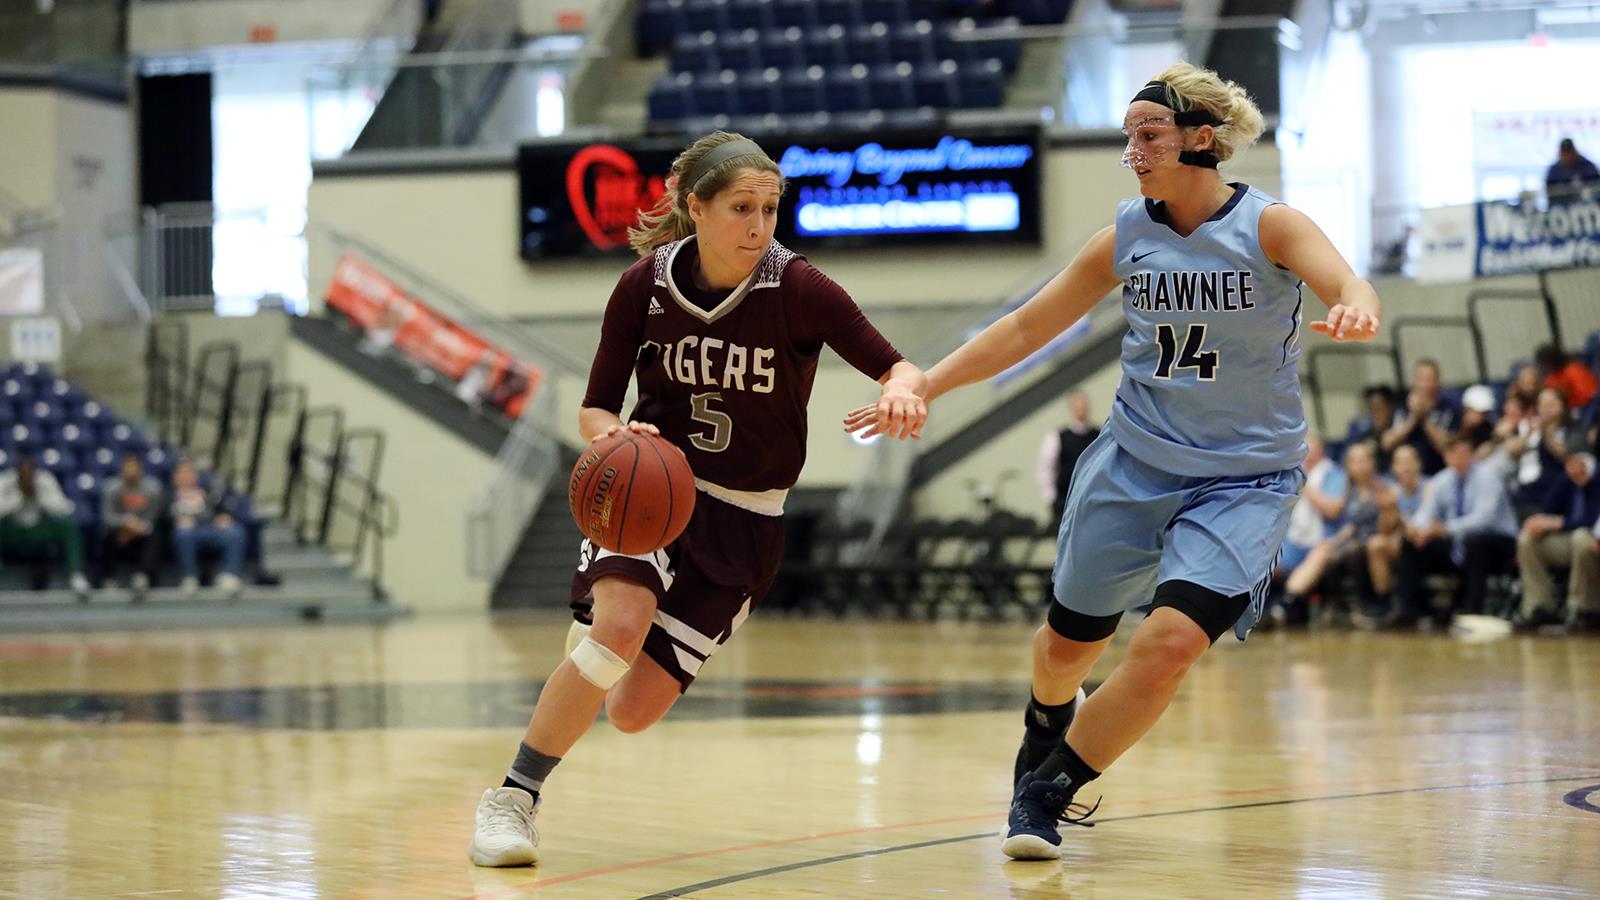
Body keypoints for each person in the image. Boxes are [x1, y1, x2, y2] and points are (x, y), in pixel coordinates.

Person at [847, 63, 1381, 860]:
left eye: (1148, 134)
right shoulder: (1125, 236)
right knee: (1066, 648)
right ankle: (1045, 716)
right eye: (1129, 136)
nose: (1132, 150)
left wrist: (1355, 306)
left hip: (1245, 479)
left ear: (1201, 140)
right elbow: (1028, 329)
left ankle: (1047, 791)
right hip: (1135, 463)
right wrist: (928, 380)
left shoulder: (1271, 227)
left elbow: (1349, 281)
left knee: (1167, 645)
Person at [468, 132, 928, 867]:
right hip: (654, 488)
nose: (759, 225)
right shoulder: (642, 286)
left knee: (630, 711)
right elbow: (593, 411)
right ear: (697, 208)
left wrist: (903, 391)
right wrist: (617, 435)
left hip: (747, 521)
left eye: (771, 209)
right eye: (742, 208)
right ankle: (512, 799)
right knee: (621, 624)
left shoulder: (799, 287)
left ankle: (597, 653)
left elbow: (893, 363)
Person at [1394, 438, 1517, 626]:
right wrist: (1417, 530)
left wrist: (1444, 529)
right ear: (1446, 456)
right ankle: (1413, 610)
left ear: (1472, 454)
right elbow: (1427, 512)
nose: (1460, 458)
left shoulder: (1487, 477)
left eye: (1465, 453)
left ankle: (1472, 610)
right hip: (1460, 541)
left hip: (1498, 541)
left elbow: (1484, 520)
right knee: (1411, 543)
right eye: (1455, 453)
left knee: (1474, 542)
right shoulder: (1442, 480)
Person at [1279, 442, 1389, 625]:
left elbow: (1342, 515)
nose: (1361, 466)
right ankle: (1276, 605)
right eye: (1355, 461)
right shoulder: (1351, 490)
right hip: (1345, 539)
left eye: (1364, 460)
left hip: (1369, 540)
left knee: (1342, 552)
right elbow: (1351, 526)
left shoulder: (1381, 487)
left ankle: (1290, 603)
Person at [1513, 451, 1600, 630]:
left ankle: (1581, 609)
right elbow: (1547, 510)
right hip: (1566, 541)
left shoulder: (1597, 481)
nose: (1574, 470)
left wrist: (1559, 522)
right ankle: (1539, 607)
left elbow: (1593, 520)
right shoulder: (1565, 480)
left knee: (1581, 538)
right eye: (1570, 465)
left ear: (1589, 465)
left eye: (1578, 466)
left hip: (1591, 541)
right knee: (1527, 540)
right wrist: (1537, 522)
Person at [0, 456, 90, 598]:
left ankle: (76, 576)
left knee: (68, 525)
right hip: (13, 531)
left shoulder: (45, 480)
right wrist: (20, 497)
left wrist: (38, 495)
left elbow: (64, 509)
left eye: (30, 474)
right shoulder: (5, 481)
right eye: (22, 475)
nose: (26, 478)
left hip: (38, 530)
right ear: (16, 473)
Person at [1361, 444, 1427, 623]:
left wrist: (1397, 514)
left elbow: (1420, 527)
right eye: (1400, 462)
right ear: (1394, 468)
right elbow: (1384, 531)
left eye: (1409, 461)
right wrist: (1386, 510)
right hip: (1402, 541)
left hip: (1426, 542)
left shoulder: (1429, 488)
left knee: (1407, 545)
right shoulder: (1393, 491)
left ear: (1418, 464)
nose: (1405, 466)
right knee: (1375, 544)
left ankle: (1410, 606)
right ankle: (1384, 602)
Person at [169, 458, 246, 599]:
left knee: (235, 532)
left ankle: (228, 576)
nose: (186, 476)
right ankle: (189, 577)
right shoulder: (169, 495)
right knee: (183, 534)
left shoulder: (208, 493)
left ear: (195, 476)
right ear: (175, 476)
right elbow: (162, 517)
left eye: (189, 473)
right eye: (182, 473)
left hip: (209, 529)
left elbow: (221, 510)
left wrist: (222, 517)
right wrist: (177, 521)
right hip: (186, 534)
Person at [99, 453, 163, 600]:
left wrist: (138, 528)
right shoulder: (111, 488)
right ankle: (109, 578)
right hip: (119, 530)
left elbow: (152, 517)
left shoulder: (153, 489)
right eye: (127, 468)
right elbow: (108, 517)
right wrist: (125, 523)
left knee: (154, 536)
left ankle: (142, 577)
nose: (131, 472)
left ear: (140, 470)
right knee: (107, 535)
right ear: (122, 470)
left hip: (141, 531)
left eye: (134, 468)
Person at [1381, 359, 1455, 475]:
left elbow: (1447, 447)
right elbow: (1387, 443)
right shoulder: (1402, 407)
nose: (1424, 384)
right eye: (1420, 379)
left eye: (1429, 379)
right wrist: (1413, 417)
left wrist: (1425, 419)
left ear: (1437, 381)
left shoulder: (1448, 408)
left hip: (1439, 472)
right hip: (1407, 475)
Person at [1035, 391, 1099, 523]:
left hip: (1095, 500)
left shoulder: (1098, 435)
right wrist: (1052, 500)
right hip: (1067, 503)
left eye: (1083, 405)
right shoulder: (1058, 437)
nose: (1081, 409)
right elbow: (1045, 469)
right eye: (1077, 405)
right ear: (1071, 408)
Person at [1344, 385, 1397, 469]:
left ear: (1389, 408)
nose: (1374, 415)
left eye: (1379, 409)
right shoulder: (1361, 430)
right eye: (1371, 409)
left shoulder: (1399, 427)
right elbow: (1348, 456)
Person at [1535, 343, 1598, 411]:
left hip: (1587, 409)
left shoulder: (1574, 370)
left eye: (1545, 364)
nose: (1544, 367)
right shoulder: (1550, 379)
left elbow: (1589, 396)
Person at [1546, 138, 1600, 202]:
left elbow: (1597, 187)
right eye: (1565, 153)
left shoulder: (1588, 166)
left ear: (1575, 152)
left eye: (1569, 153)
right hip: (1563, 207)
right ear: (1560, 154)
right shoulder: (1554, 171)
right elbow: (1550, 194)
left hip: (1588, 205)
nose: (1568, 157)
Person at [1458, 384, 1497, 452]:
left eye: (1485, 412)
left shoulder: (1487, 429)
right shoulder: (1452, 425)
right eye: (1479, 412)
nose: (1483, 416)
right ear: (1466, 409)